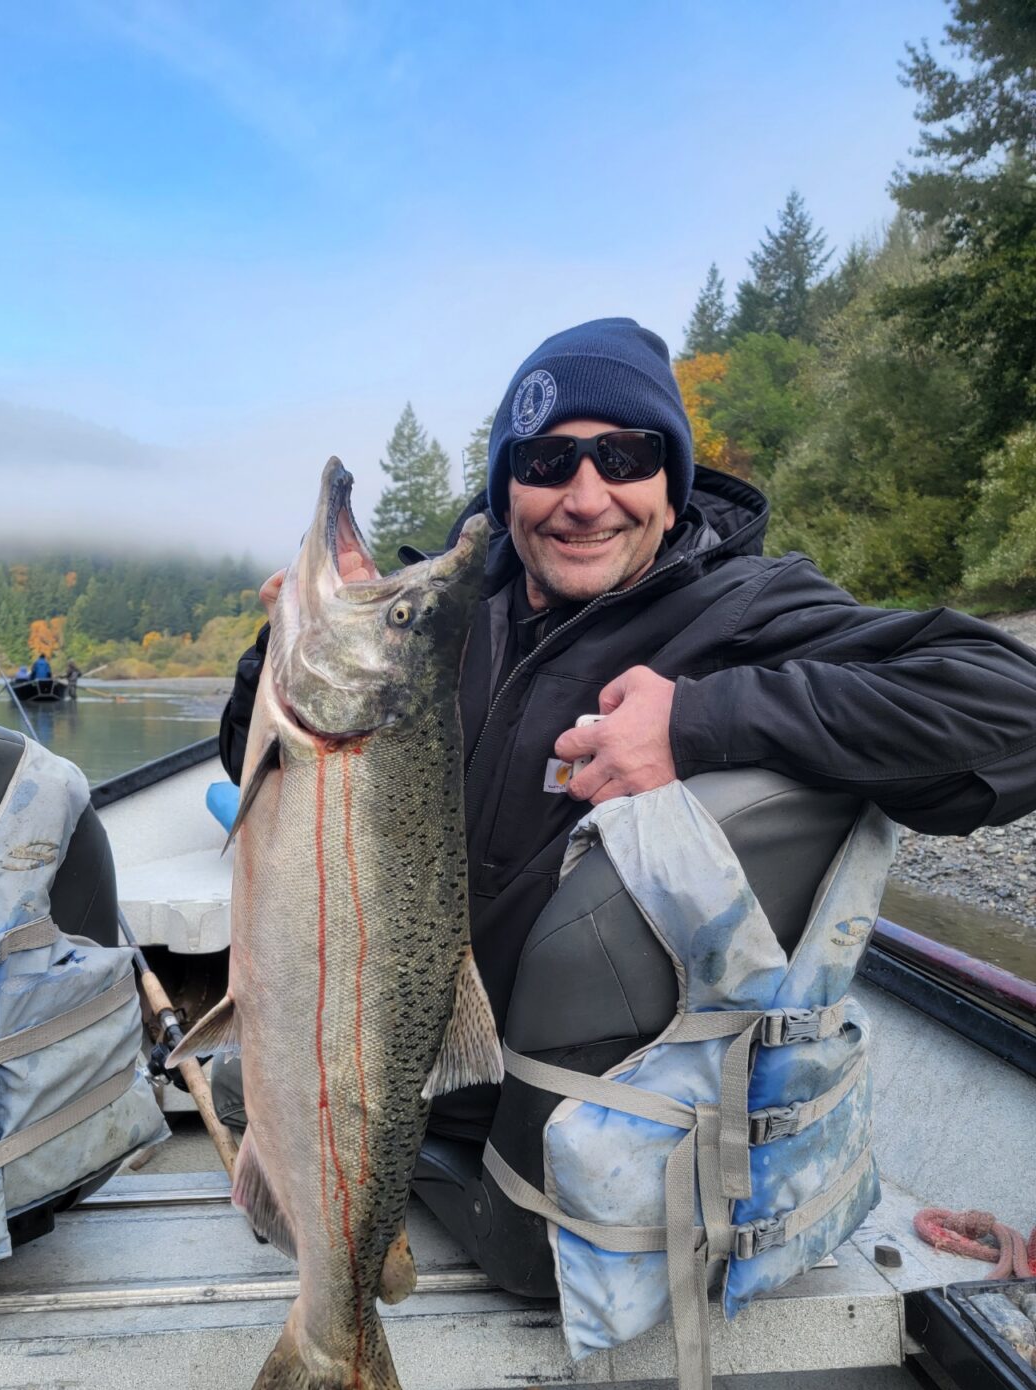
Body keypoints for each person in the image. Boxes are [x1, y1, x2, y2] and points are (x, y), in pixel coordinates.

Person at [217, 316, 1036, 1139]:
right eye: (546, 462)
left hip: (591, 1127)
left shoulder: (744, 609)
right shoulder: (444, 617)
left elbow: (1013, 708)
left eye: (625, 457)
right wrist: (287, 654)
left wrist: (700, 722)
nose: (584, 499)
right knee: (233, 1082)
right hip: (376, 1073)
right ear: (508, 487)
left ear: (672, 481)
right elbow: (261, 782)